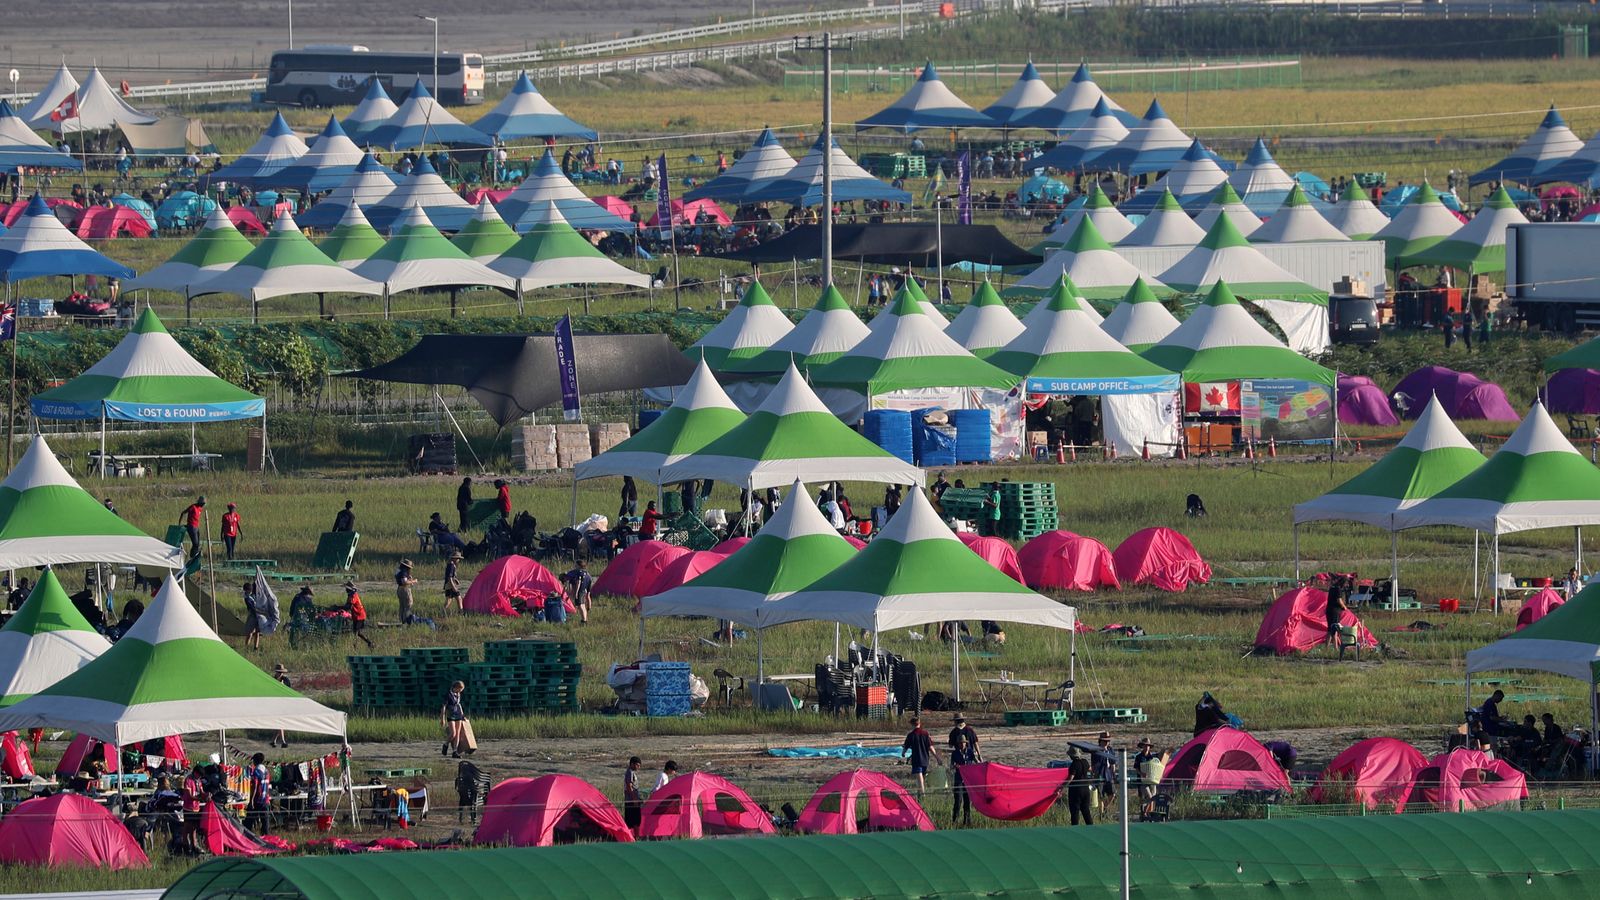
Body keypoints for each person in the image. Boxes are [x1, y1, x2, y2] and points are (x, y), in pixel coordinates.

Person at [901, 716, 939, 797]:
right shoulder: (925, 734)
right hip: (925, 759)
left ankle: (922, 795)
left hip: (916, 759)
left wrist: (903, 753)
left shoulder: (911, 735)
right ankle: (920, 795)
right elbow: (930, 747)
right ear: (919, 723)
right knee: (922, 778)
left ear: (912, 724)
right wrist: (937, 757)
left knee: (920, 777)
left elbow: (906, 746)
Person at [948, 731, 975, 826]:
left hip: (968, 780)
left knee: (967, 802)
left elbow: (975, 763)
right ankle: (954, 820)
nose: (961, 744)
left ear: (965, 743)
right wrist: (955, 766)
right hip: (958, 779)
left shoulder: (970, 752)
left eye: (963, 743)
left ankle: (967, 821)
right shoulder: (955, 753)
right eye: (960, 743)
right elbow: (951, 766)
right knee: (958, 801)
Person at [442, 680, 473, 758]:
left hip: (458, 715)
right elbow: (444, 707)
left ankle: (455, 751)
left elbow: (459, 704)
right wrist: (442, 718)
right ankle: (445, 745)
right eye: (460, 689)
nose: (461, 691)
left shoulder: (458, 694)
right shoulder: (448, 695)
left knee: (458, 733)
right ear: (456, 687)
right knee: (453, 733)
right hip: (450, 715)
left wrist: (462, 715)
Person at [1066, 746, 1094, 826]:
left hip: (1076, 791)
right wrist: (1090, 780)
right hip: (1086, 789)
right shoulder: (1085, 761)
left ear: (1072, 755)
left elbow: (1071, 778)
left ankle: (1075, 829)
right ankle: (1091, 828)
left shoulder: (1074, 764)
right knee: (1086, 810)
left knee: (1075, 811)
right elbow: (1090, 770)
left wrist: (1062, 786)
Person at [1133, 738, 1165, 805]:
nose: (1147, 747)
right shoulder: (1138, 757)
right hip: (1142, 781)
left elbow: (1159, 760)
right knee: (1148, 797)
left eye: (1148, 746)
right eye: (1145, 745)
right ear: (1142, 746)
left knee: (1153, 797)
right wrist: (1141, 774)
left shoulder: (1152, 757)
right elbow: (1136, 768)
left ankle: (1148, 812)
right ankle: (1144, 811)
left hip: (1152, 780)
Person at [1092, 732, 1118, 811]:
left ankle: (1106, 807)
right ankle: (1101, 813)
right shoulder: (1096, 751)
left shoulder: (1110, 750)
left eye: (1108, 741)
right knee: (1101, 796)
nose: (1107, 742)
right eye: (1105, 741)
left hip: (1109, 775)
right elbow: (1094, 765)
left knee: (1112, 794)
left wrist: (1114, 775)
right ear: (1101, 741)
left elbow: (1113, 763)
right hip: (1100, 775)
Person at [563, 559, 593, 625]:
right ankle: (587, 612)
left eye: (575, 565)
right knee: (584, 601)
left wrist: (576, 593)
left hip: (580, 589)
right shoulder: (587, 574)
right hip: (586, 586)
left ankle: (584, 621)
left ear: (579, 566)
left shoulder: (577, 573)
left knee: (581, 605)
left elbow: (578, 582)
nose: (574, 566)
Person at [247, 752, 271, 833]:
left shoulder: (256, 771)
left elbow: (255, 786)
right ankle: (266, 839)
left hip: (258, 799)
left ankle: (246, 839)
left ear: (255, 760)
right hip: (266, 799)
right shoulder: (266, 771)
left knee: (249, 822)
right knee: (265, 823)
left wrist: (251, 800)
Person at [344, 581, 372, 648]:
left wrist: (338, 607)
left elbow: (348, 606)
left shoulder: (353, 596)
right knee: (357, 632)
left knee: (356, 632)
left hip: (360, 616)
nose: (346, 590)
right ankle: (369, 643)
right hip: (356, 616)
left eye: (347, 588)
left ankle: (355, 647)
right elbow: (347, 606)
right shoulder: (351, 595)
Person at [270, 665, 292, 747]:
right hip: (275, 703)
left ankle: (274, 741)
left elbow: (289, 691)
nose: (280, 674)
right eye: (279, 672)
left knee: (281, 722)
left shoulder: (285, 680)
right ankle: (282, 741)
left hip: (284, 703)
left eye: (281, 672)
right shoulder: (272, 680)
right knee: (280, 722)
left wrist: (282, 687)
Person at [1326, 574, 1350, 645]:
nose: (1347, 585)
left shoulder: (1332, 588)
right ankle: (1336, 647)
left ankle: (1327, 647)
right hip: (1335, 611)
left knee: (1330, 629)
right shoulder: (1338, 589)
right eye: (1346, 583)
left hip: (1329, 610)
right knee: (1334, 629)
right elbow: (1339, 600)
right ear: (1343, 582)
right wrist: (1344, 607)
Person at [623, 756, 644, 830]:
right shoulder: (630, 772)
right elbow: (629, 786)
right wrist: (634, 799)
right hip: (631, 801)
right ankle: (634, 838)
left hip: (632, 800)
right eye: (637, 765)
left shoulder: (631, 772)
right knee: (634, 821)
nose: (639, 767)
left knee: (634, 821)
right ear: (632, 764)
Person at [242, 581, 264, 651]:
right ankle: (246, 647)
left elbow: (255, 585)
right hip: (253, 615)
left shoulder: (253, 594)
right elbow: (252, 608)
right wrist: (259, 613)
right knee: (250, 632)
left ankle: (256, 648)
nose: (249, 591)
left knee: (257, 632)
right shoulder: (247, 598)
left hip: (259, 615)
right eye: (248, 590)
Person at [395, 560, 418, 624]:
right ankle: (406, 621)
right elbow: (404, 582)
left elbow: (401, 579)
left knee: (402, 606)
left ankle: (401, 621)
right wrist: (413, 581)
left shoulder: (398, 570)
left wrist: (409, 578)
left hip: (399, 589)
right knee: (408, 605)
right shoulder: (404, 571)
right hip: (405, 589)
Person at [442, 551, 463, 616]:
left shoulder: (451, 565)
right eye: (457, 558)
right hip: (450, 585)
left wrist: (455, 580)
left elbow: (451, 576)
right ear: (454, 558)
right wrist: (454, 587)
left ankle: (443, 612)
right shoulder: (451, 565)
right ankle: (461, 612)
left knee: (450, 599)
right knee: (458, 598)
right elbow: (450, 577)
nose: (458, 560)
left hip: (450, 584)